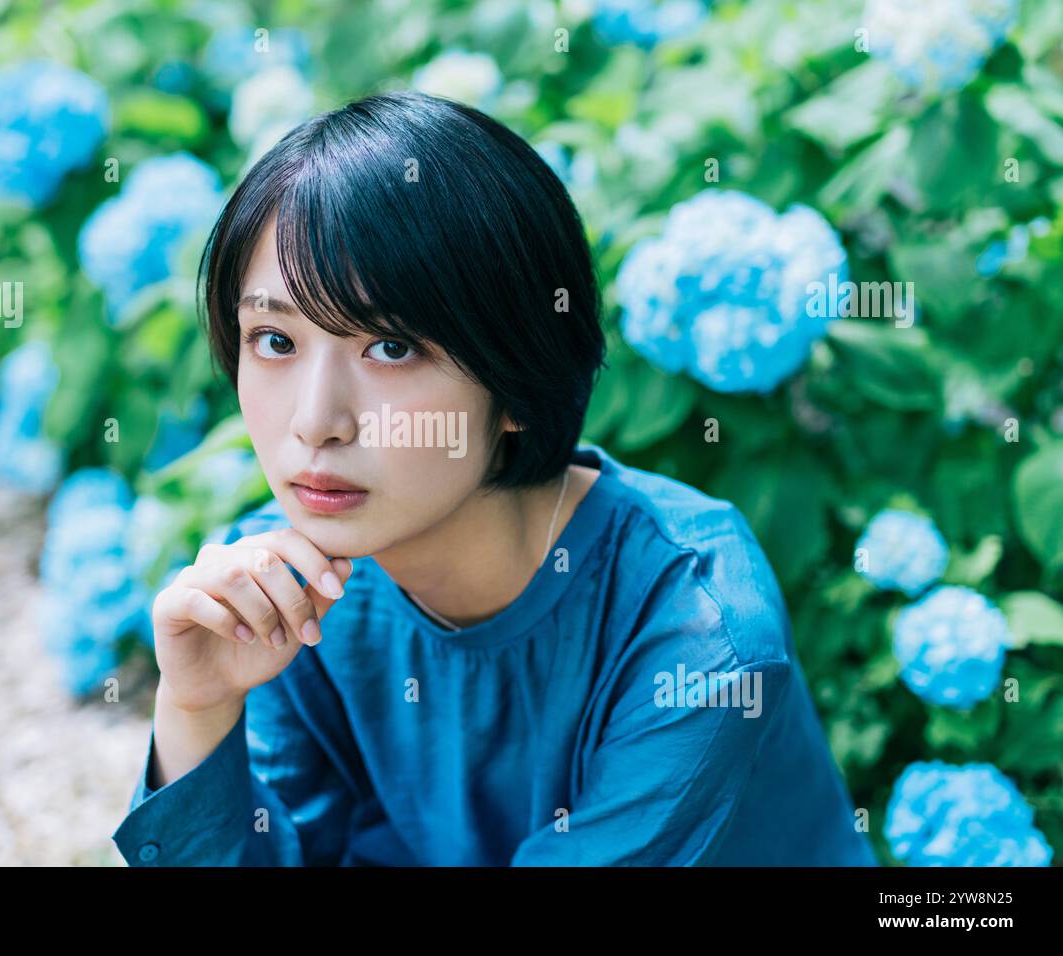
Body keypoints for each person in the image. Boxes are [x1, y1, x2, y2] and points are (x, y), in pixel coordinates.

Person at [110, 90, 877, 866]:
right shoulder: (286, 589)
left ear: (514, 378)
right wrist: (198, 706)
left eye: (391, 348)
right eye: (274, 339)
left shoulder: (691, 621)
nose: (316, 422)